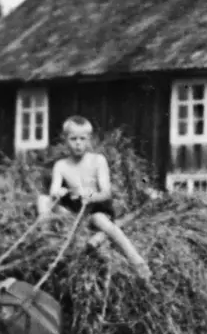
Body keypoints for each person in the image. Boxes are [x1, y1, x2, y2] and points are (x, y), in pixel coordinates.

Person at [36, 116, 152, 280]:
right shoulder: (61, 165)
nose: (78, 143)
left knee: (99, 220)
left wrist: (89, 196)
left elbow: (106, 192)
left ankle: (135, 259)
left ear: (89, 139)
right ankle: (45, 241)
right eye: (73, 139)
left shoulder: (98, 161)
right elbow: (54, 189)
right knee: (43, 200)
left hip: (96, 207)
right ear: (65, 140)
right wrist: (58, 192)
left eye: (82, 139)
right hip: (73, 209)